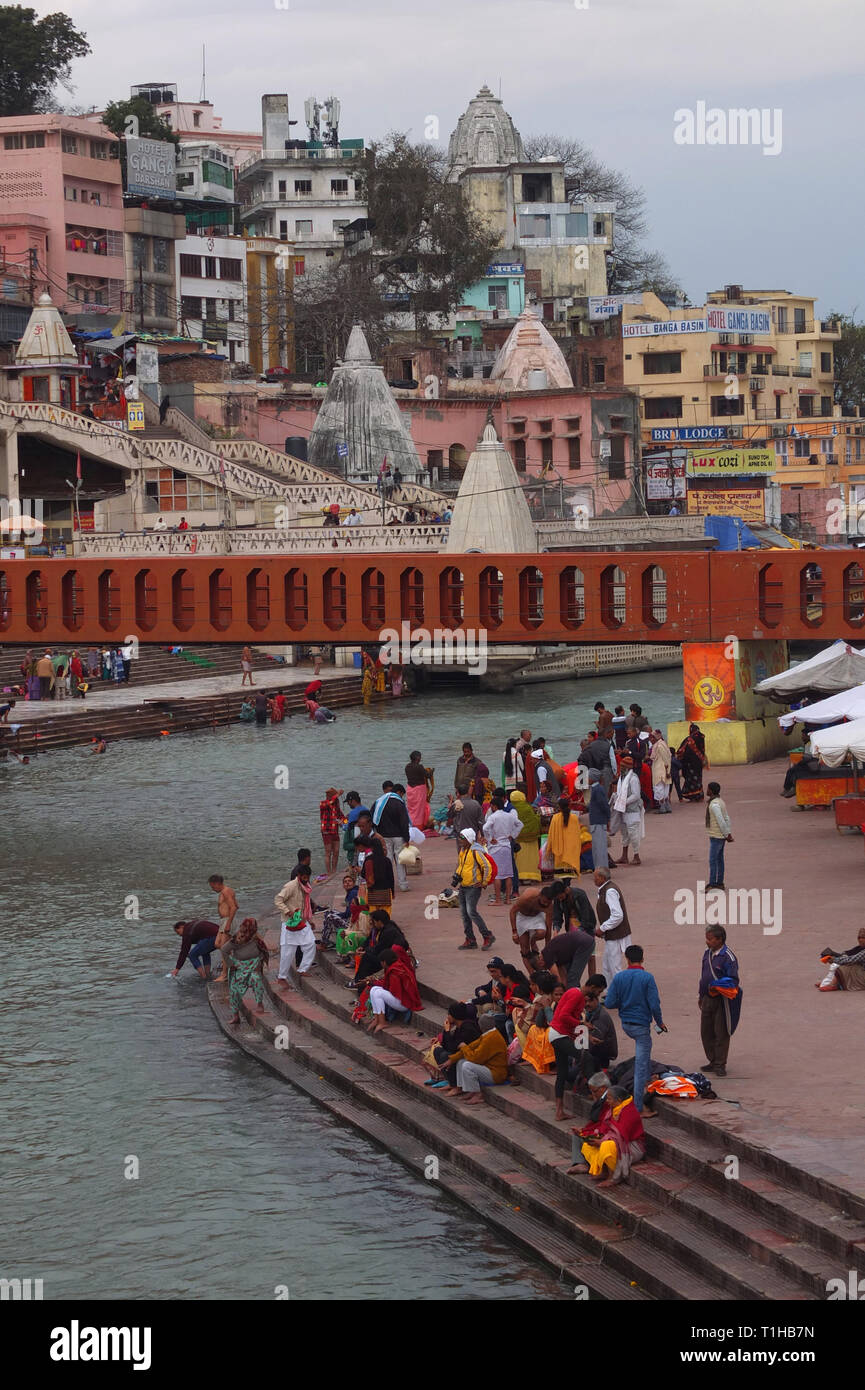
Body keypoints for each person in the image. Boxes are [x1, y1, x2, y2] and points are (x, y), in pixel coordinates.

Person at [603, 944, 666, 1115]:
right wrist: (660, 1022)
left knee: (644, 1054)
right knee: (640, 1062)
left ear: (627, 959)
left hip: (626, 1024)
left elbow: (609, 1003)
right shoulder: (647, 978)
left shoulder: (619, 977)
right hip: (640, 1026)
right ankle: (639, 1108)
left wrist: (625, 1001)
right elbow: (654, 1005)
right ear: (642, 959)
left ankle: (647, 1080)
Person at [574, 1084, 646, 1185]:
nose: (607, 1101)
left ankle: (613, 1177)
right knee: (587, 1145)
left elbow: (622, 1136)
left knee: (606, 1146)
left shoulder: (629, 1112)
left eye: (609, 1099)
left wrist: (601, 1141)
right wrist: (586, 1133)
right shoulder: (613, 1108)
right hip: (613, 1140)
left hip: (631, 1146)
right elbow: (604, 1128)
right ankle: (603, 1171)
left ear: (619, 1100)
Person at [699, 927, 742, 1076]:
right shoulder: (707, 954)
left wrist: (717, 987)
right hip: (706, 999)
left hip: (721, 1001)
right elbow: (703, 975)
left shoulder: (728, 957)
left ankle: (720, 1064)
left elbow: (733, 981)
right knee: (706, 1032)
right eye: (707, 938)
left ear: (719, 940)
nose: (707, 941)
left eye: (710, 939)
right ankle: (712, 1060)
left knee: (721, 1032)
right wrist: (701, 995)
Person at [442, 1015, 509, 1104]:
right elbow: (472, 1046)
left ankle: (478, 1095)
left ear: (481, 1026)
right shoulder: (489, 1034)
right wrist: (452, 1059)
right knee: (461, 1062)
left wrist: (464, 1047)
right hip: (489, 1068)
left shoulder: (491, 1038)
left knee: (467, 1065)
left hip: (496, 1074)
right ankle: (468, 1090)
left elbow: (475, 1059)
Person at [509, 881, 567, 974]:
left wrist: (547, 948)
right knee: (525, 950)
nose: (544, 904)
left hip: (536, 916)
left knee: (541, 932)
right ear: (539, 896)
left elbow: (548, 928)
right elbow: (512, 912)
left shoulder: (549, 907)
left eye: (547, 903)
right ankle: (532, 974)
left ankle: (533, 941)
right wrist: (514, 932)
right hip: (522, 916)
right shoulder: (526, 897)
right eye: (543, 902)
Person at [274, 864, 319, 983]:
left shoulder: (306, 886)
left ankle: (303, 969)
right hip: (289, 922)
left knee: (310, 943)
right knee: (288, 951)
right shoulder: (291, 886)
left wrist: (310, 921)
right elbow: (278, 900)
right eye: (304, 878)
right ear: (299, 876)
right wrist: (288, 912)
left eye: (307, 878)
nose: (306, 880)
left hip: (302, 921)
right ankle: (282, 977)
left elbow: (305, 905)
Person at [548, 985, 587, 1121]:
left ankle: (559, 1111)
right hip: (559, 1035)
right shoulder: (577, 995)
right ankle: (596, 1094)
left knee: (562, 1072)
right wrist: (581, 1023)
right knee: (585, 1057)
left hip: (558, 1034)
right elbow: (564, 1016)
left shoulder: (574, 993)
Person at [221, 917, 269, 1025]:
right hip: (239, 966)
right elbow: (224, 950)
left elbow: (263, 952)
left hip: (253, 965)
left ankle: (260, 1003)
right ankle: (235, 1016)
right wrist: (231, 964)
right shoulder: (237, 939)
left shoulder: (256, 939)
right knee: (234, 991)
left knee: (256, 980)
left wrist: (259, 964)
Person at [454, 829, 496, 950]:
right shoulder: (463, 850)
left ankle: (487, 935)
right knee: (464, 914)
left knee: (471, 912)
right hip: (463, 886)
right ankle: (470, 939)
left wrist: (484, 882)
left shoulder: (476, 851)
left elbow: (487, 866)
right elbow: (461, 866)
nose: (460, 840)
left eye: (462, 838)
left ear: (469, 839)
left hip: (473, 887)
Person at [364, 946, 422, 1033]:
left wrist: (376, 983)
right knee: (374, 989)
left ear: (384, 962)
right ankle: (377, 1019)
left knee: (378, 993)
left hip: (404, 1003)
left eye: (381, 962)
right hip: (400, 999)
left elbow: (393, 990)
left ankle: (382, 1022)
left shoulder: (395, 970)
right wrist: (374, 983)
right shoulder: (394, 967)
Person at [593, 867, 631, 980]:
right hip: (612, 935)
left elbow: (618, 915)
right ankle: (609, 991)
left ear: (602, 878)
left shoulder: (610, 891)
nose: (594, 880)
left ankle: (618, 992)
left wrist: (603, 928)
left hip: (616, 935)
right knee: (607, 965)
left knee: (614, 966)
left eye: (596, 877)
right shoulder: (605, 889)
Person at [482, 793, 521, 905]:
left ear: (494, 806)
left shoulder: (493, 817)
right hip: (507, 846)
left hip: (496, 847)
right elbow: (520, 824)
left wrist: (490, 838)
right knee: (508, 874)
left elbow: (485, 828)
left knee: (497, 875)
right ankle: (508, 899)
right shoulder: (509, 815)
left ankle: (498, 899)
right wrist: (512, 835)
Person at [373, 782, 411, 893]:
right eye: (402, 794)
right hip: (398, 836)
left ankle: (387, 885)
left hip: (384, 836)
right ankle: (403, 884)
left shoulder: (380, 802)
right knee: (400, 861)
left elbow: (373, 817)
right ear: (399, 792)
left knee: (387, 860)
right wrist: (407, 838)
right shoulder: (399, 803)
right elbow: (404, 823)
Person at [612, 756, 644, 867]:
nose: (621, 768)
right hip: (623, 810)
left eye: (623, 766)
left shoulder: (633, 778)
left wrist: (624, 802)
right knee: (624, 833)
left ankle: (636, 856)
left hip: (632, 810)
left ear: (627, 767)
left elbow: (636, 795)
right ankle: (624, 856)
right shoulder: (622, 778)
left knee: (633, 833)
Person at [541, 926, 596, 991]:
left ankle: (575, 997)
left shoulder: (547, 957)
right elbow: (563, 977)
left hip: (583, 943)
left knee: (572, 979)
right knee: (570, 978)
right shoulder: (553, 958)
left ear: (540, 962)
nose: (547, 969)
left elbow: (557, 978)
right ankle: (575, 993)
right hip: (585, 940)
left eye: (545, 968)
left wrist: (560, 994)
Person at [581, 982, 618, 1075]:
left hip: (601, 1055)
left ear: (597, 1000)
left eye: (590, 1001)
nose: (587, 1004)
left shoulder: (601, 1017)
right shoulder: (589, 1013)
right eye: (585, 1002)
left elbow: (594, 1042)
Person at [356, 833, 394, 919]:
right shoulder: (387, 860)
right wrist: (393, 891)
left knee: (373, 915)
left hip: (373, 891)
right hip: (385, 892)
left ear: (371, 848)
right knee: (385, 913)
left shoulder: (368, 859)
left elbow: (363, 874)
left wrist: (360, 870)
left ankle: (374, 930)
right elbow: (391, 878)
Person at [209, 874, 238, 984]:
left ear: (217, 883)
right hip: (223, 921)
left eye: (213, 887)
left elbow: (234, 907)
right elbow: (237, 905)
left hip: (227, 921)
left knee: (224, 948)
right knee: (217, 944)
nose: (212, 889)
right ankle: (232, 964)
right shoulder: (225, 892)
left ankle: (225, 974)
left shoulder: (226, 891)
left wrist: (228, 923)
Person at [322, 868, 359, 950]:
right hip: (350, 918)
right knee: (328, 912)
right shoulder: (351, 892)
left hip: (353, 923)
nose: (347, 883)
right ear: (343, 885)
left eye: (349, 881)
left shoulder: (353, 893)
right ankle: (328, 938)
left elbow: (348, 914)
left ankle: (324, 942)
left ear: (353, 883)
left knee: (330, 917)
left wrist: (337, 915)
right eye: (345, 882)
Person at [705, 782, 733, 890]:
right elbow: (727, 818)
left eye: (707, 789)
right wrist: (728, 833)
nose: (706, 790)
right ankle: (720, 882)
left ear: (711, 791)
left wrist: (727, 834)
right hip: (720, 836)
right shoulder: (720, 801)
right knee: (719, 859)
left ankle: (713, 883)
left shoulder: (714, 804)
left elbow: (721, 820)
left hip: (717, 836)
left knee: (713, 860)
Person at [546, 795, 583, 874]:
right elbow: (577, 834)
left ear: (559, 807)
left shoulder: (555, 818)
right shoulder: (574, 818)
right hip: (571, 850)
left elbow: (551, 834)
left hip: (559, 851)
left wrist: (549, 848)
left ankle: (565, 885)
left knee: (561, 872)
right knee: (570, 871)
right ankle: (568, 884)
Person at [510, 789, 541, 883]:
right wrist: (538, 817)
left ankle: (518, 876)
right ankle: (531, 876)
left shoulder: (511, 809)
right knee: (530, 859)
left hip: (517, 839)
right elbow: (534, 821)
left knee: (518, 859)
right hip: (530, 839)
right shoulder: (527, 808)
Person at [676, 723, 708, 802]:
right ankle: (699, 795)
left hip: (690, 764)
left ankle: (693, 796)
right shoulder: (701, 737)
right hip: (699, 763)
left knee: (691, 780)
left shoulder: (689, 739)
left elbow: (681, 751)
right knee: (698, 779)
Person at [587, 769, 610, 870]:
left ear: (592, 778)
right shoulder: (595, 789)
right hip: (596, 821)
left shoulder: (598, 789)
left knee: (600, 847)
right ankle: (599, 868)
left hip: (599, 821)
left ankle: (602, 869)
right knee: (597, 847)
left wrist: (608, 818)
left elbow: (604, 805)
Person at [404, 750, 433, 830]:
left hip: (410, 789)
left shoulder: (407, 767)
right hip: (419, 790)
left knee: (411, 808)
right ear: (417, 758)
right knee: (419, 809)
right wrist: (431, 771)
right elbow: (427, 775)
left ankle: (410, 824)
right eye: (420, 757)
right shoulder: (419, 767)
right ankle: (419, 826)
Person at [319, 787, 344, 876]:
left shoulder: (336, 807)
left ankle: (334, 871)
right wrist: (338, 794)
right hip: (326, 831)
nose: (327, 796)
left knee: (336, 851)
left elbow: (342, 817)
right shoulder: (323, 804)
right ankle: (329, 872)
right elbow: (329, 802)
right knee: (328, 852)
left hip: (335, 831)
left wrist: (344, 822)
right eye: (327, 795)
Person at [650, 730, 672, 813]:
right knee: (664, 787)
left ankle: (662, 807)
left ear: (656, 737)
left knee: (659, 787)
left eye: (652, 737)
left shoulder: (659, 746)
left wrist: (667, 770)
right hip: (663, 769)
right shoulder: (661, 744)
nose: (651, 740)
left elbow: (666, 758)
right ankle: (667, 807)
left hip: (660, 769)